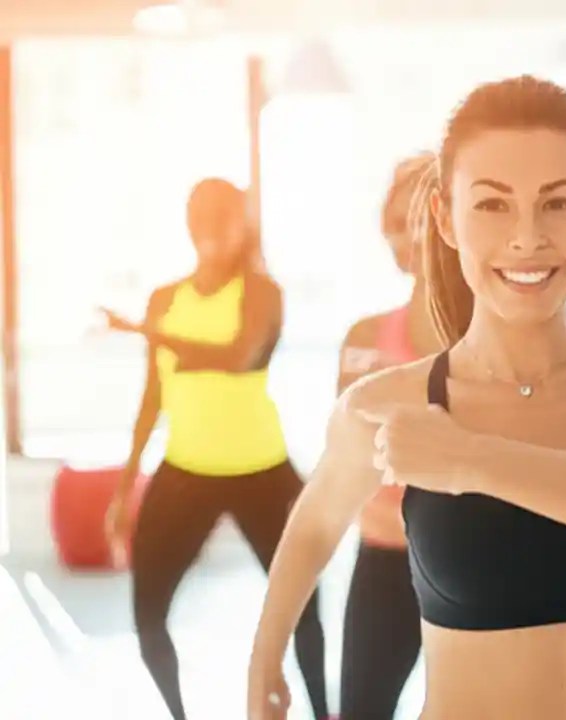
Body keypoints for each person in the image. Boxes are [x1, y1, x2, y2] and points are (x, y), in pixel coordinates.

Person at [246, 75, 566, 720]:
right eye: (492, 204)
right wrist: (265, 655)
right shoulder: (390, 403)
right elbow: (314, 526)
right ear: (445, 218)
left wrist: (473, 461)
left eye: (559, 203)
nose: (528, 237)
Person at [100, 178, 330, 720]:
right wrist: (122, 489)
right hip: (185, 471)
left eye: (221, 216)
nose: (208, 227)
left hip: (262, 471)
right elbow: (152, 399)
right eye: (198, 215)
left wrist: (145, 332)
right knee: (147, 613)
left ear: (241, 224)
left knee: (305, 611)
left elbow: (241, 357)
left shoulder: (261, 291)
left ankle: (323, 713)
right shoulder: (165, 299)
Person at [336, 152, 443, 718]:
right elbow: (350, 452)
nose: (413, 236)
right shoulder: (365, 335)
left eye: (424, 218)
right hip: (384, 554)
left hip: (473, 559)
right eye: (402, 223)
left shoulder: (501, 343)